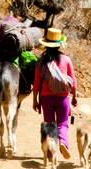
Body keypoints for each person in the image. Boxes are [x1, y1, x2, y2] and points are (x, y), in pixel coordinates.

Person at [32, 26, 78, 158]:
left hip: (46, 97)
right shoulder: (66, 60)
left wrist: (35, 100)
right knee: (62, 123)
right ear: (59, 45)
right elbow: (73, 80)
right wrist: (74, 96)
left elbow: (36, 83)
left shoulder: (41, 61)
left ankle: (49, 154)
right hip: (62, 97)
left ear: (45, 45)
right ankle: (63, 142)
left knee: (49, 125)